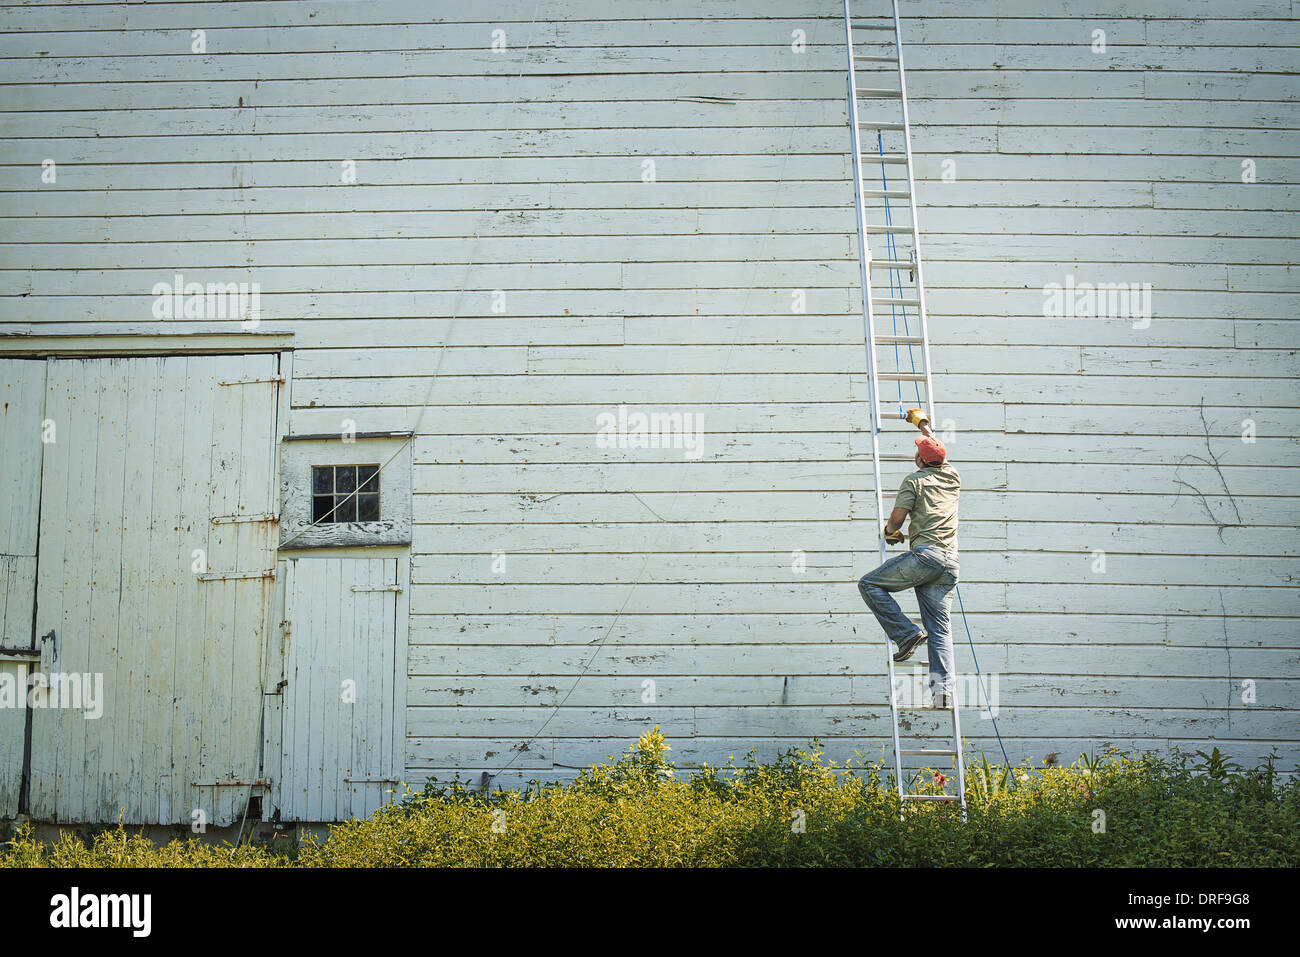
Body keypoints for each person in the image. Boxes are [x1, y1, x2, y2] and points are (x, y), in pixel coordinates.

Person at [857, 433, 960, 708]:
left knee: (868, 584)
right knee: (940, 630)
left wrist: (891, 533)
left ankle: (906, 635)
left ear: (919, 460)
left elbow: (897, 518)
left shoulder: (914, 481)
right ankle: (943, 695)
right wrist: (923, 424)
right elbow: (939, 454)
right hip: (950, 564)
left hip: (927, 557)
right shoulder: (953, 476)